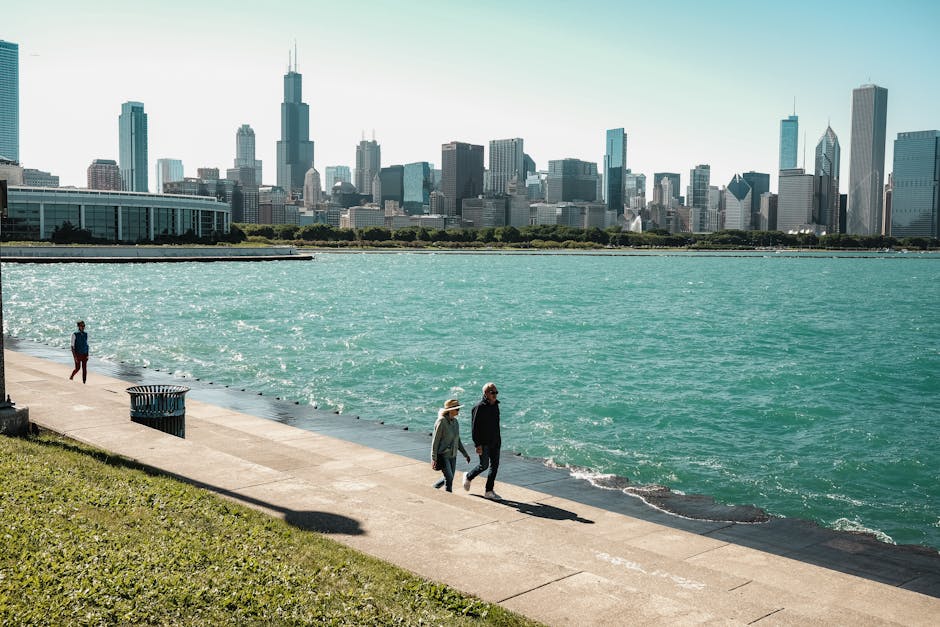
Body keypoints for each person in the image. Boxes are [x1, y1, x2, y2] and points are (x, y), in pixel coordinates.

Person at [462, 382, 502, 499]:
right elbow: (474, 428)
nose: (495, 395)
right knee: (483, 465)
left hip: (495, 441)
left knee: (495, 466)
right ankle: (468, 476)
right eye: (492, 392)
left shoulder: (496, 405)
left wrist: (499, 440)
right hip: (484, 443)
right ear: (485, 393)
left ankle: (489, 491)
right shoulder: (478, 408)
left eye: (496, 392)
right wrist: (477, 444)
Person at [430, 399, 471, 492]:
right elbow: (435, 441)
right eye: (457, 409)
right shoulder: (441, 422)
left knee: (450, 478)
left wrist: (466, 454)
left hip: (453, 455)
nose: (458, 411)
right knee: (449, 478)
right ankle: (449, 497)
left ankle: (434, 488)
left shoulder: (455, 422)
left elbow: (458, 440)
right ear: (450, 410)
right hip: (443, 455)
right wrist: (434, 458)